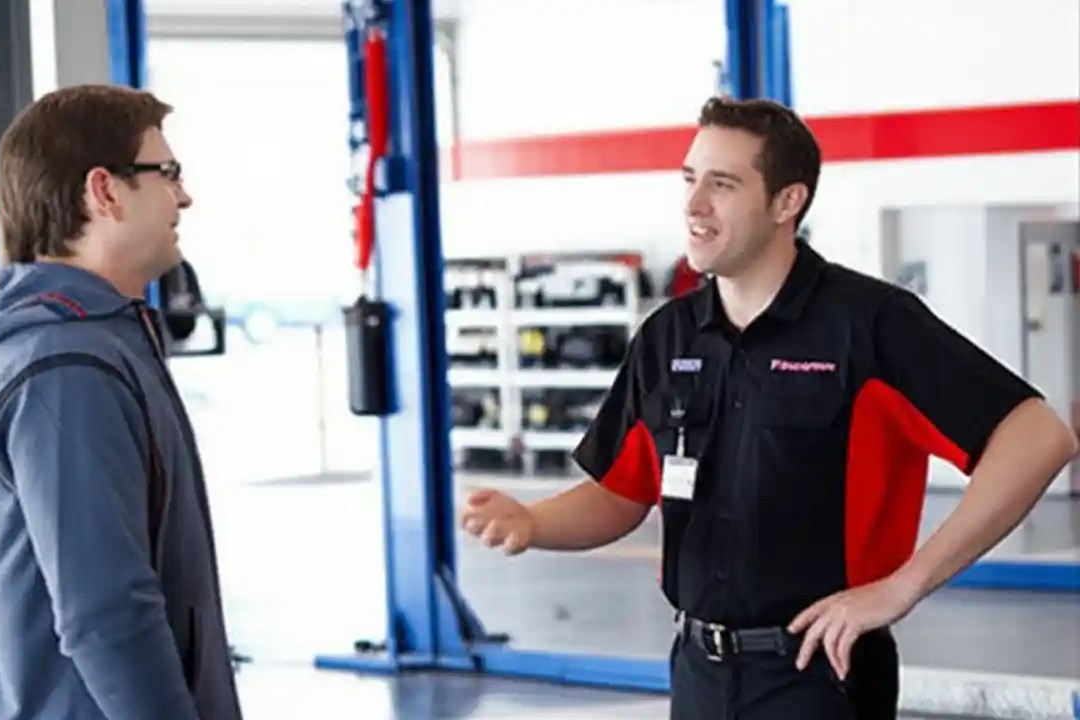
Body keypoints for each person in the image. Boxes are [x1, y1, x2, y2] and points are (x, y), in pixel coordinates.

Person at [460, 96, 1079, 719]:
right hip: (698, 673)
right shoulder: (668, 337)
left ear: (788, 203)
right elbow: (624, 493)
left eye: (722, 185)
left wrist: (903, 587)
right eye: (690, 179)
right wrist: (533, 523)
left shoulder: (868, 327)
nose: (694, 205)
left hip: (820, 677)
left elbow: (1038, 437)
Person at [0, 84, 242, 720]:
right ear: (104, 190)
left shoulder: (100, 342)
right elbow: (105, 611)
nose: (184, 195)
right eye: (166, 173)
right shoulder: (66, 368)